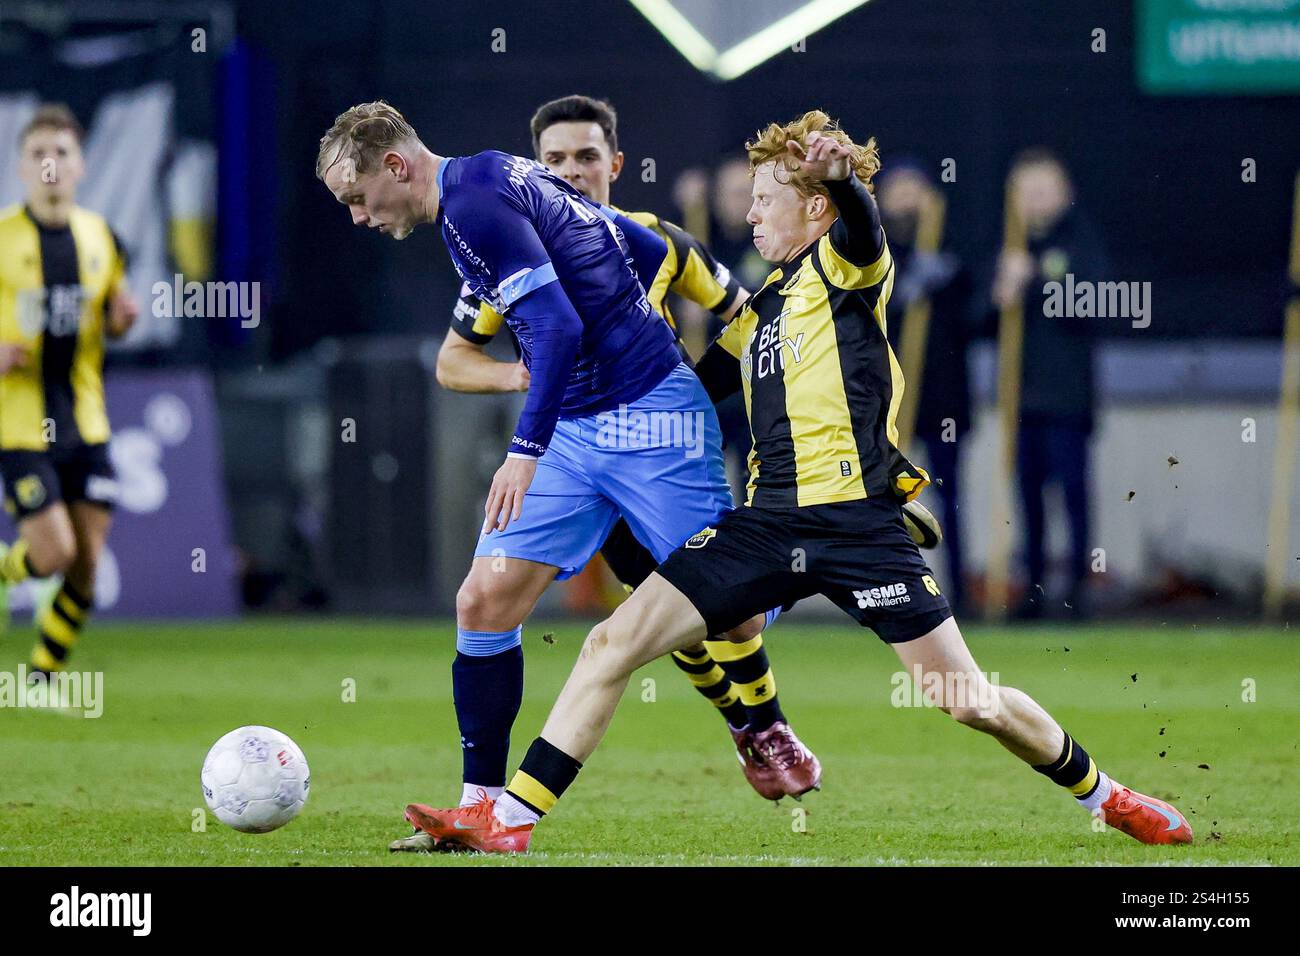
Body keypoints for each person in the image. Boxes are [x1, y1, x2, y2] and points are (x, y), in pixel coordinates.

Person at [401, 111, 1193, 854]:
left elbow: (863, 226)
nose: (749, 216)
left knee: (967, 701)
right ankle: (509, 819)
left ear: (814, 211)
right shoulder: (761, 306)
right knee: (611, 642)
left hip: (858, 529)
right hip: (770, 526)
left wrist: (843, 179)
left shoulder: (848, 270)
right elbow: (691, 383)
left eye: (766, 201)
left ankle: (1107, 796)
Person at [314, 100, 820, 848]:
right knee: (483, 601)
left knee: (736, 615)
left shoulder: (473, 207)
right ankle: (480, 806)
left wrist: (524, 449)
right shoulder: (489, 181)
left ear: (395, 166)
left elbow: (559, 325)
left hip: (650, 416)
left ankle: (821, 555)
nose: (357, 218)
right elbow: (608, 256)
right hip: (580, 431)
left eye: (357, 199)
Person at [0, 104, 138, 679]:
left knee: (85, 562)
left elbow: (113, 314)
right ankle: (7, 571)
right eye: (38, 153)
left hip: (87, 420)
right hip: (19, 423)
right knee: (54, 553)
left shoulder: (101, 237)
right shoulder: (2, 238)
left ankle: (43, 673)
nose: (50, 163)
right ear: (21, 167)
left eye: (61, 152)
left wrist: (122, 318)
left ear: (80, 166)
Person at [991, 149, 1107, 618]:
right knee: (1029, 497)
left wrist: (1035, 280)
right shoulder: (1009, 248)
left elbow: (1095, 302)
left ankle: (1078, 589)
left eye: (1044, 191)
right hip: (1020, 398)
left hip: (1067, 398)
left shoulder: (1079, 242)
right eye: (1026, 193)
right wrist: (999, 292)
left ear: (1064, 194)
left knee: (1073, 494)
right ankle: (1033, 589)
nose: (1035, 201)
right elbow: (981, 318)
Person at [878, 162, 975, 612]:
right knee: (887, 500)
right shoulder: (873, 249)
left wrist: (952, 281)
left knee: (949, 492)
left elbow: (980, 319)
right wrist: (900, 293)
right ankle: (892, 592)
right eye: (897, 191)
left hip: (943, 399)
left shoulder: (951, 248)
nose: (906, 200)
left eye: (913, 190)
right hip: (888, 399)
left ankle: (959, 590)